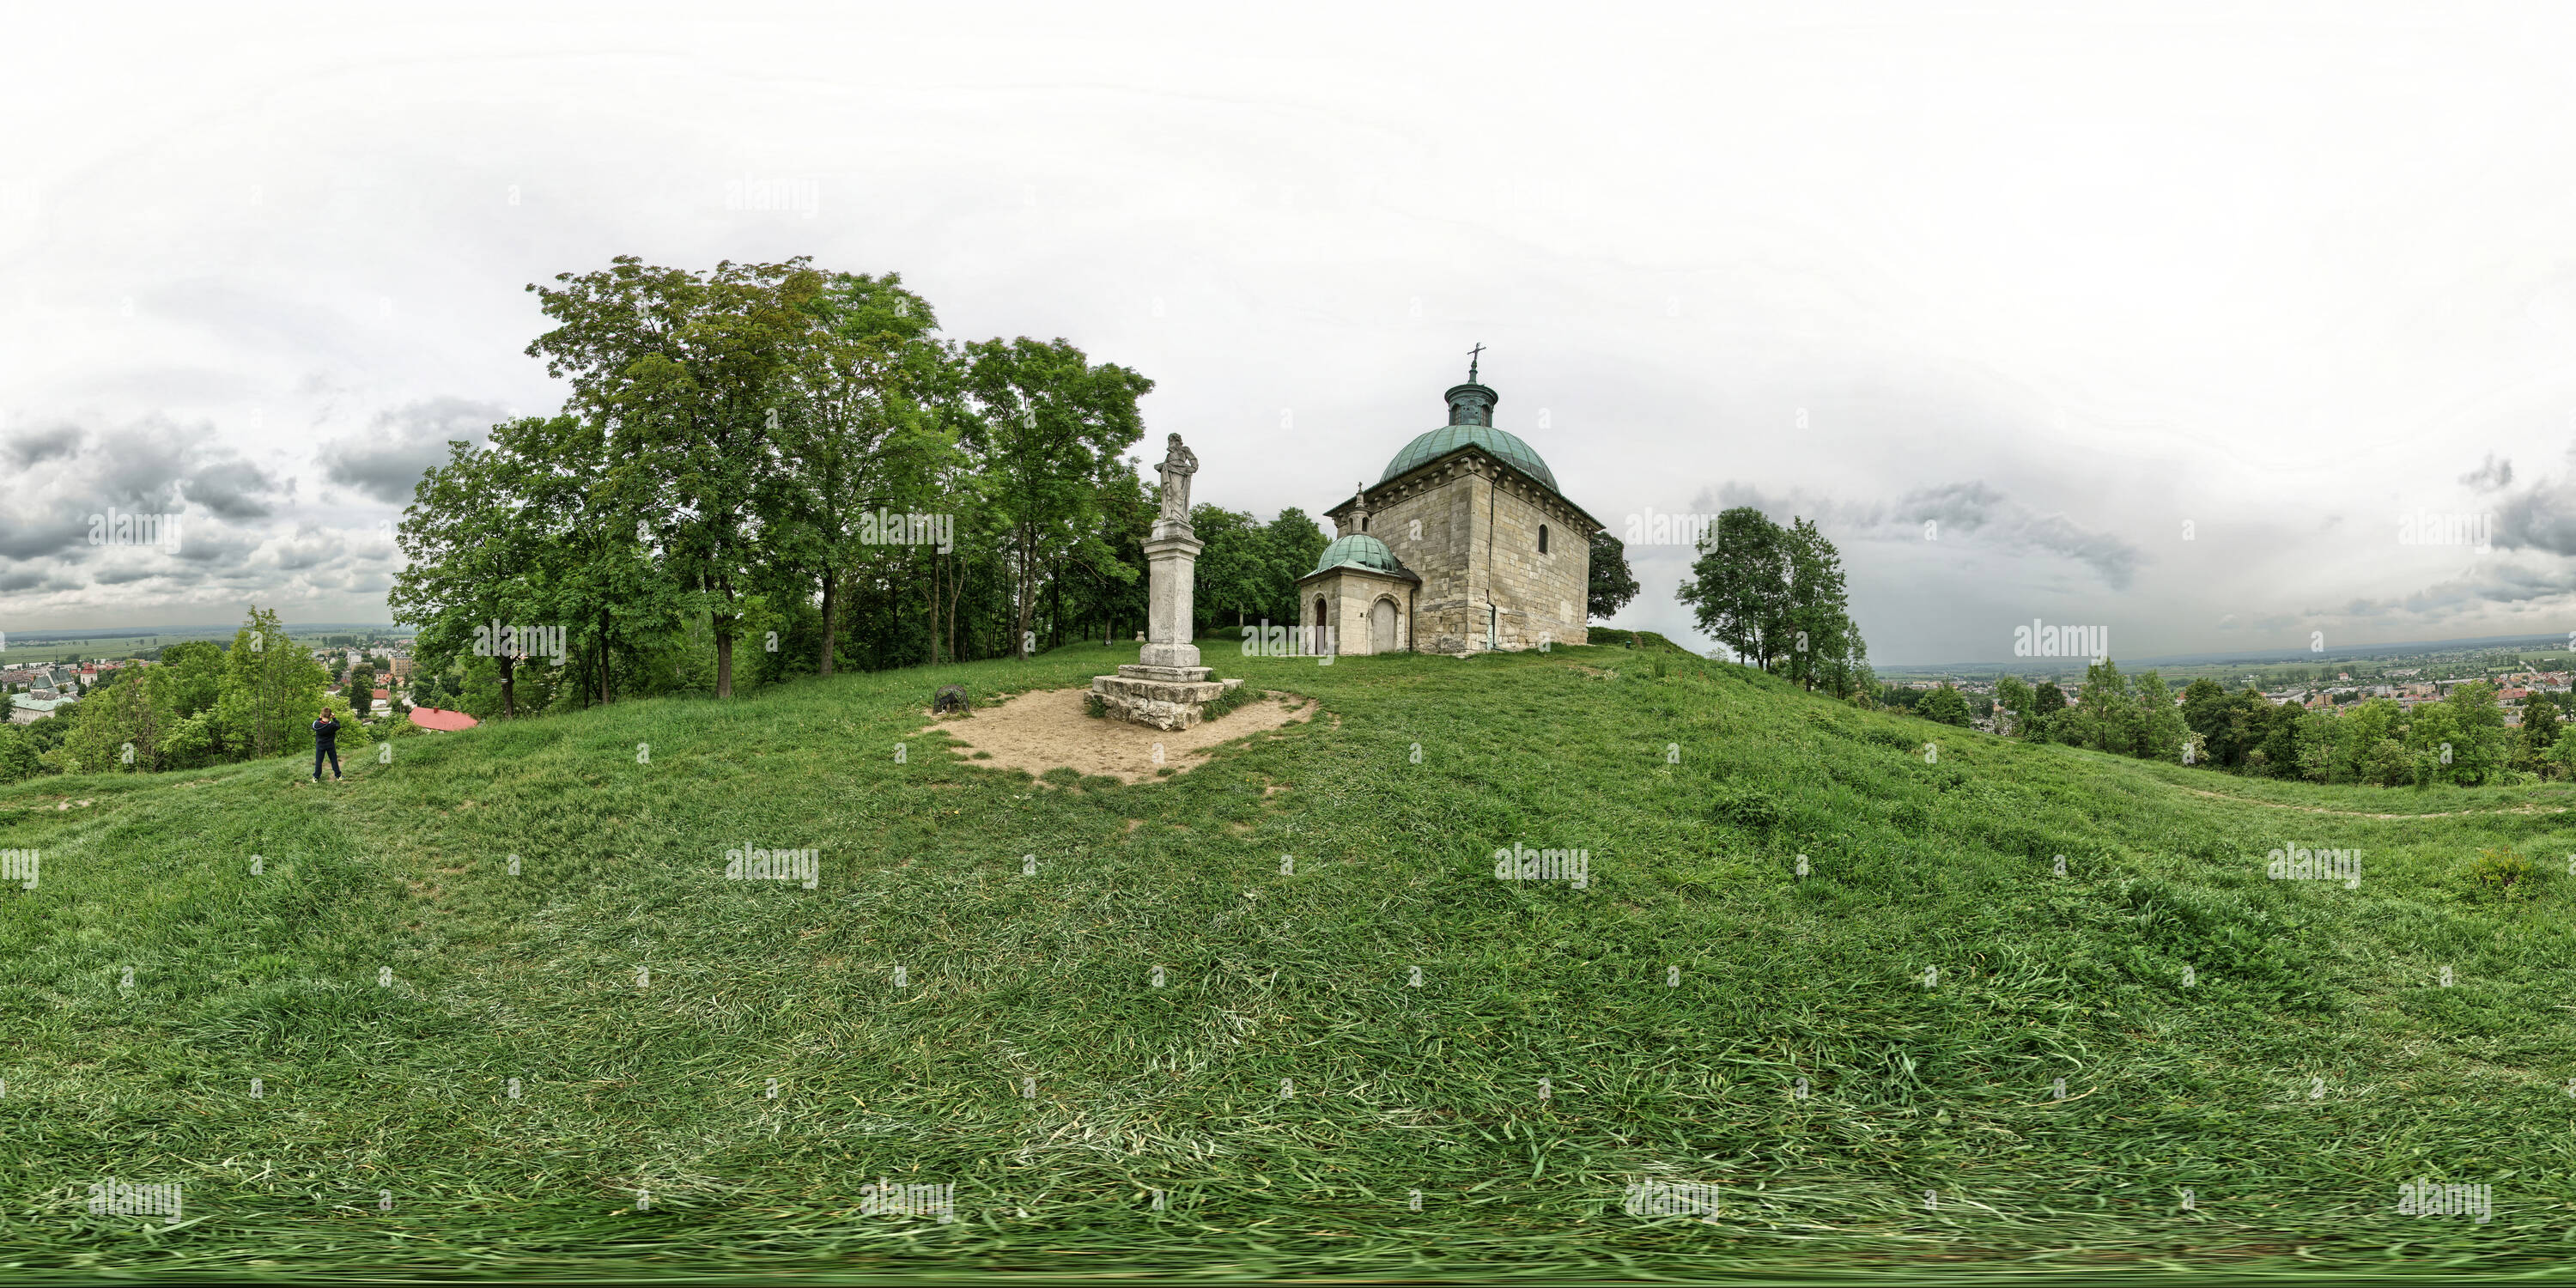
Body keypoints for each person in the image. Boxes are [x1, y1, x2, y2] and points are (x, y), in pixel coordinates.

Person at [312, 707, 343, 782]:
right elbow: (338, 725)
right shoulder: (332, 725)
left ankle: (316, 777)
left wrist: (319, 718)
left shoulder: (317, 725)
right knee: (334, 760)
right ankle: (338, 776)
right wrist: (334, 718)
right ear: (330, 716)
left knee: (319, 761)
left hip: (320, 745)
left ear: (321, 715)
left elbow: (314, 724)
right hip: (330, 745)